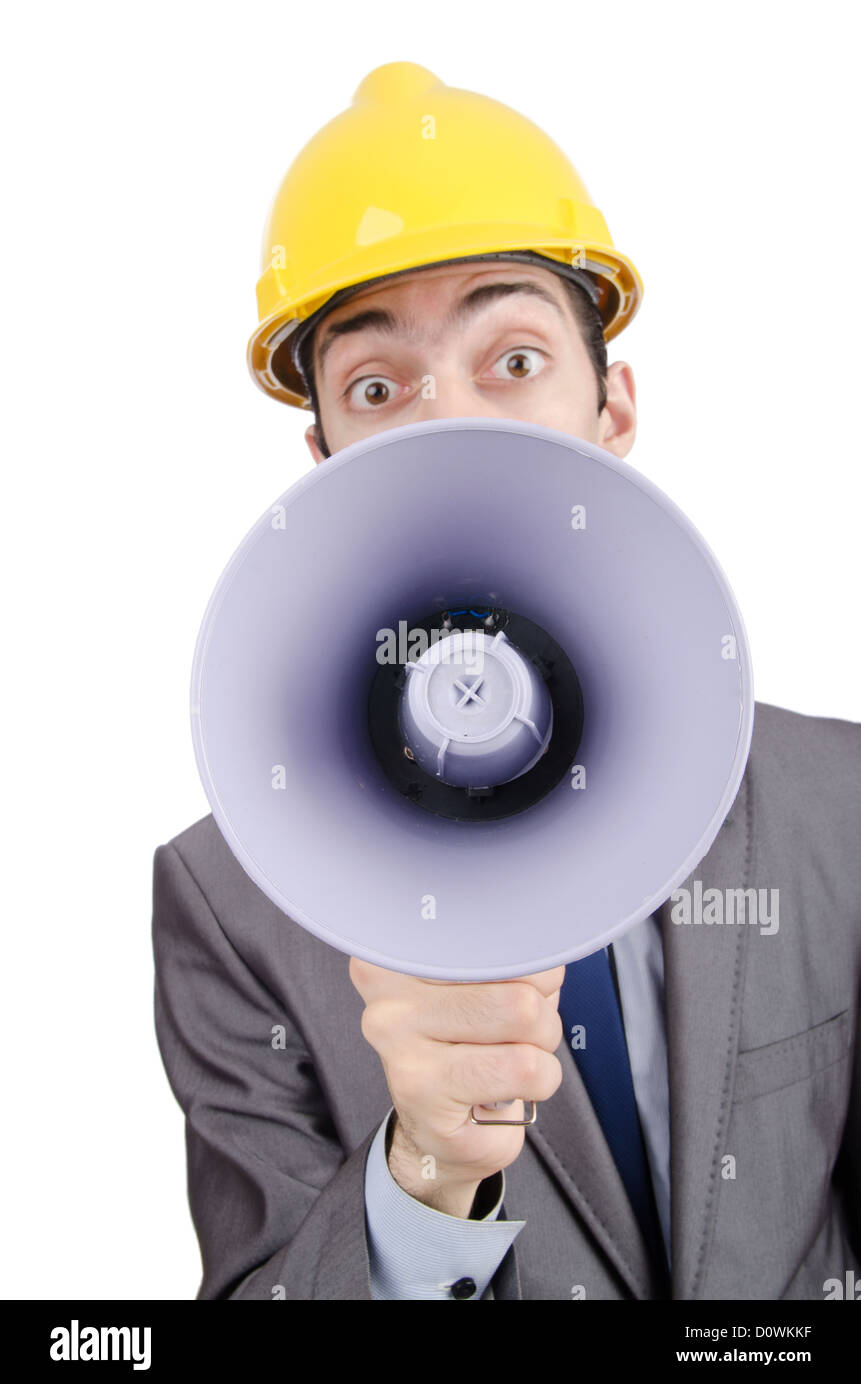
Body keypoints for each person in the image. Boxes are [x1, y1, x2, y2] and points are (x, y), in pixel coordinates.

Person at [152, 62, 861, 1301]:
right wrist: (422, 1176)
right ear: (320, 465)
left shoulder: (840, 804)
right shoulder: (230, 901)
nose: (450, 426)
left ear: (613, 405)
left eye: (515, 357)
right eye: (379, 388)